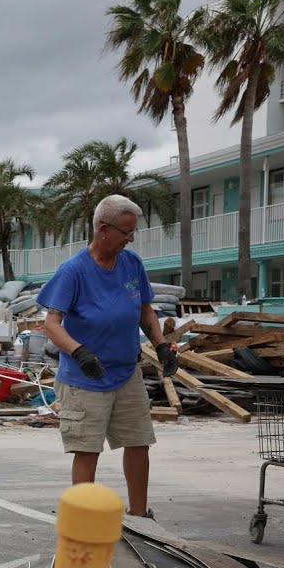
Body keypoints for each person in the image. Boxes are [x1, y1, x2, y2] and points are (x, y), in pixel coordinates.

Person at [38, 194, 179, 518]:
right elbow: (51, 323)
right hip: (85, 377)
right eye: (126, 232)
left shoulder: (132, 264)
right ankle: (83, 520)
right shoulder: (74, 271)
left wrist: (160, 345)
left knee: (139, 443)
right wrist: (79, 352)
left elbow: (145, 310)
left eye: (133, 232)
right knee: (87, 450)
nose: (131, 239)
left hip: (126, 373)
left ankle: (140, 515)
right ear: (104, 229)